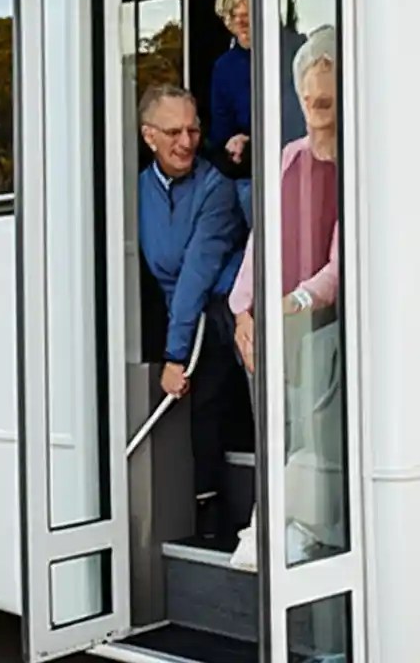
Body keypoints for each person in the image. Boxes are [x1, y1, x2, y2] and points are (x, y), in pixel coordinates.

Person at [226, 25, 342, 570]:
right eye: (307, 98)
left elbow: (340, 267)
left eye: (325, 100)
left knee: (312, 440)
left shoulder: (354, 165)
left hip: (319, 326)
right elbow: (261, 241)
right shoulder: (289, 157)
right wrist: (243, 312)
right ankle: (267, 523)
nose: (314, 108)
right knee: (274, 432)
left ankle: (301, 529)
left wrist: (292, 305)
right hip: (275, 321)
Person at [137, 83, 250, 538]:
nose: (186, 141)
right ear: (148, 136)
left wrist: (175, 355)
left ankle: (215, 515)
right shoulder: (137, 190)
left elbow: (195, 275)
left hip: (221, 311)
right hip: (180, 313)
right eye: (173, 132)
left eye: (194, 130)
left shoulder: (215, 188)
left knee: (207, 399)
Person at [209, 0, 252, 168]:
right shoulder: (224, 68)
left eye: (247, 13)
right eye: (234, 15)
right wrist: (234, 143)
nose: (240, 21)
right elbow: (221, 133)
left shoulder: (291, 51)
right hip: (246, 169)